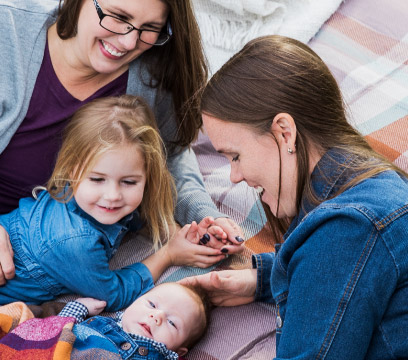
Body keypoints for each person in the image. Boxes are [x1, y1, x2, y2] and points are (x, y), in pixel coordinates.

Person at [180, 35, 408, 359]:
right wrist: (261, 278)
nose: (234, 176)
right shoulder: (368, 182)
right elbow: (356, 275)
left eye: (235, 156)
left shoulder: (346, 229)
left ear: (285, 133)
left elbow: (340, 261)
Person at [0, 0, 244, 284]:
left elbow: (170, 155)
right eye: (117, 17)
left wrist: (206, 216)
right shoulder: (9, 31)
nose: (129, 42)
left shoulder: (152, 74)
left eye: (150, 28)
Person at [0, 95, 228, 312]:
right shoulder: (75, 242)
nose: (112, 195)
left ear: (147, 176)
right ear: (71, 170)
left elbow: (141, 216)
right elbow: (114, 294)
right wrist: (169, 254)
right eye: (97, 179)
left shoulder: (93, 198)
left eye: (128, 182)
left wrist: (184, 232)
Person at [58, 282, 211, 358]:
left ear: (178, 351)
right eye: (152, 304)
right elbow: (55, 331)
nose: (157, 316)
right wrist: (80, 307)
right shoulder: (100, 323)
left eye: (172, 323)